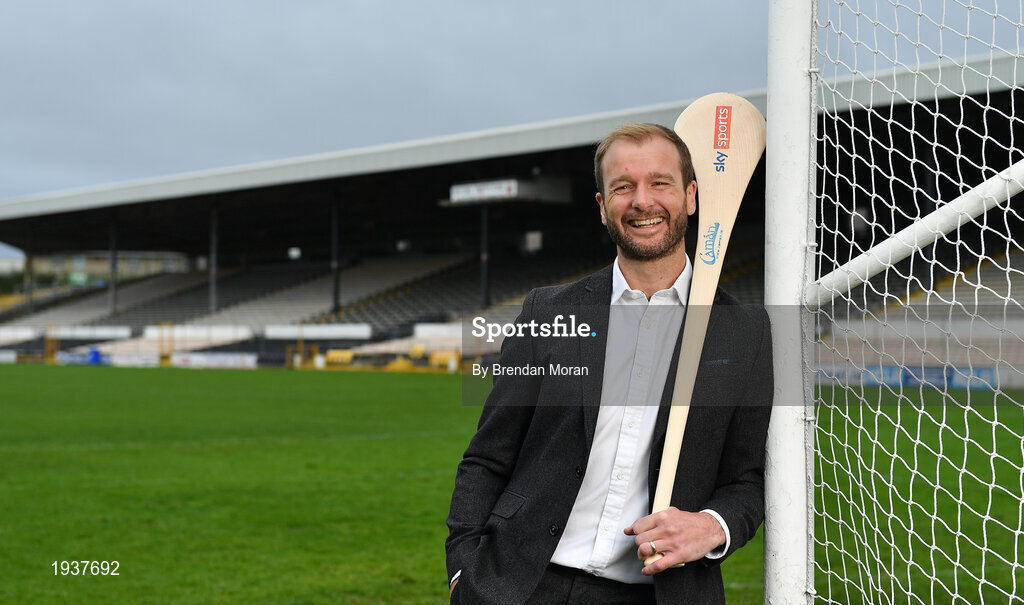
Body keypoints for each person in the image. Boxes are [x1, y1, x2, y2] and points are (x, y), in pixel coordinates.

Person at [446, 123, 773, 604]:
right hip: (520, 585)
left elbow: (747, 481)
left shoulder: (745, 332)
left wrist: (711, 525)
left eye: (660, 183)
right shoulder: (547, 312)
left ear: (691, 196)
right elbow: (487, 456)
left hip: (659, 594)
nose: (642, 201)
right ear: (603, 208)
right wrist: (462, 568)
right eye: (623, 186)